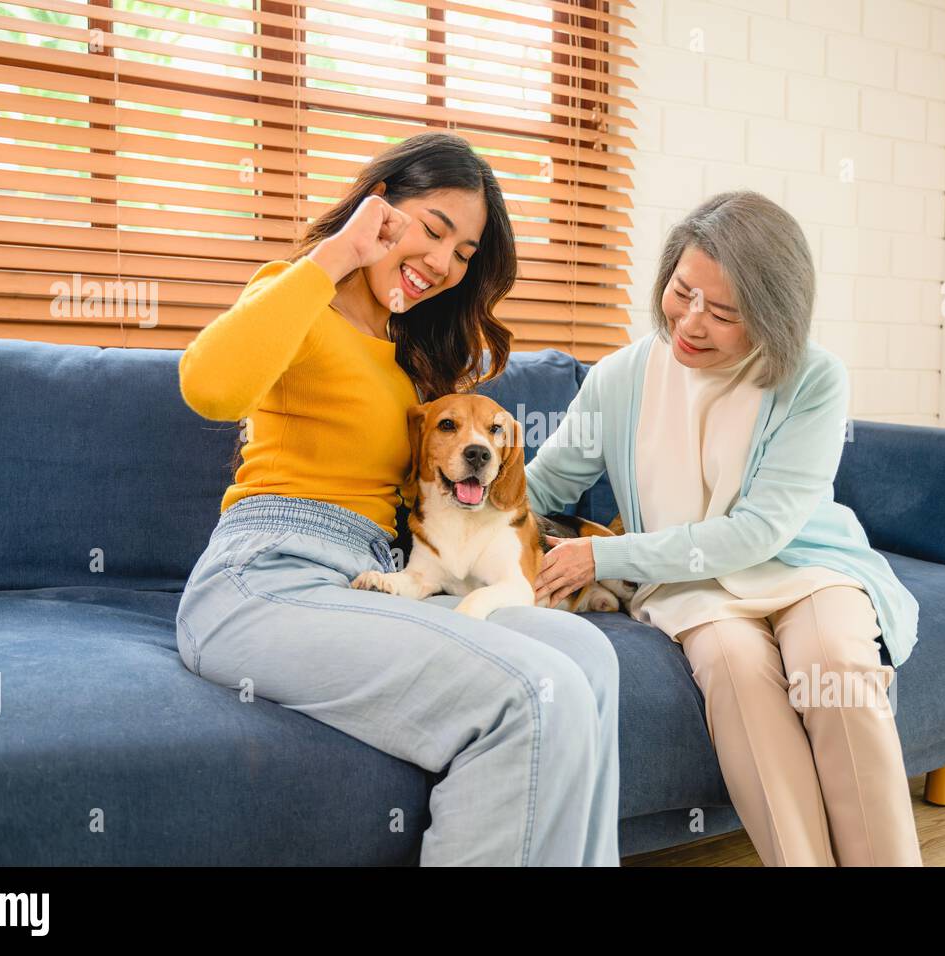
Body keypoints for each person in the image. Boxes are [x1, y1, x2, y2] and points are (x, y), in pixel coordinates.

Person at [174, 131, 620, 866]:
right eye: (434, 230)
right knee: (533, 693)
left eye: (464, 254)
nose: (443, 264)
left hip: (374, 580)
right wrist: (336, 255)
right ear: (378, 207)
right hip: (263, 579)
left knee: (586, 657)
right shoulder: (298, 293)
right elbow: (209, 386)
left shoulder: (408, 357)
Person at [527, 191, 923, 866]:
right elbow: (542, 487)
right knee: (736, 671)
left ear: (772, 318)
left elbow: (762, 530)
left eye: (726, 312)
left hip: (805, 565)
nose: (691, 321)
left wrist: (604, 555)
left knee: (836, 667)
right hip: (689, 585)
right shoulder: (620, 379)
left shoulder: (814, 378)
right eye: (683, 292)